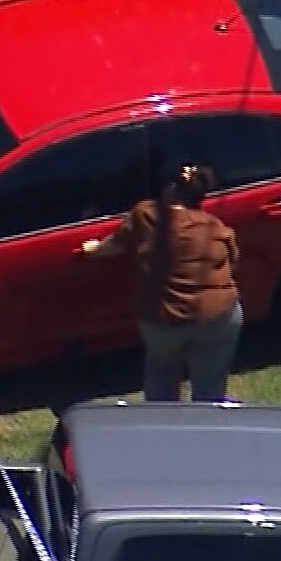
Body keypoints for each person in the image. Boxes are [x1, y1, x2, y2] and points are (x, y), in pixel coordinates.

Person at [81, 163, 242, 403]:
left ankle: (161, 421)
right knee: (210, 385)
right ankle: (209, 414)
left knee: (161, 369)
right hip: (216, 316)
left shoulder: (147, 215)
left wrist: (94, 249)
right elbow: (233, 263)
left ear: (170, 189)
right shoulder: (217, 229)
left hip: (162, 320)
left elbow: (116, 244)